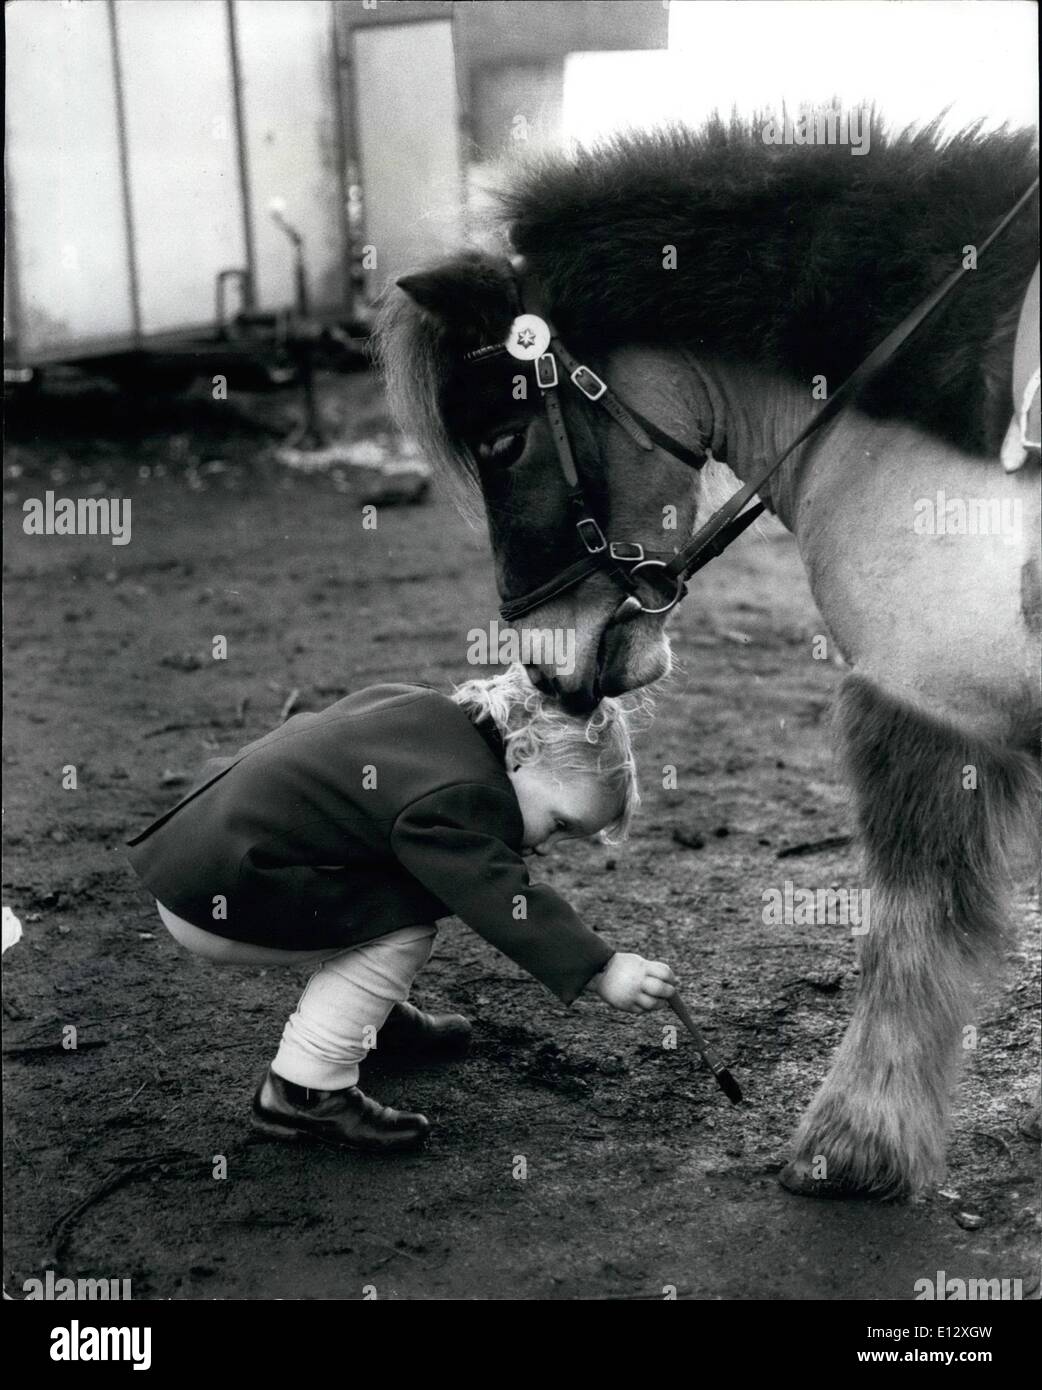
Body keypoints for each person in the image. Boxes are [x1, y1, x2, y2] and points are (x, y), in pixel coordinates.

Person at [126, 664, 677, 1154]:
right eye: (559, 824)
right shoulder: (466, 793)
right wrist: (602, 968)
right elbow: (500, 897)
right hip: (221, 893)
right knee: (405, 927)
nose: (543, 848)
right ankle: (305, 1088)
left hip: (195, 853)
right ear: (521, 753)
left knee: (402, 885)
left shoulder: (421, 711)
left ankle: (368, 1021)